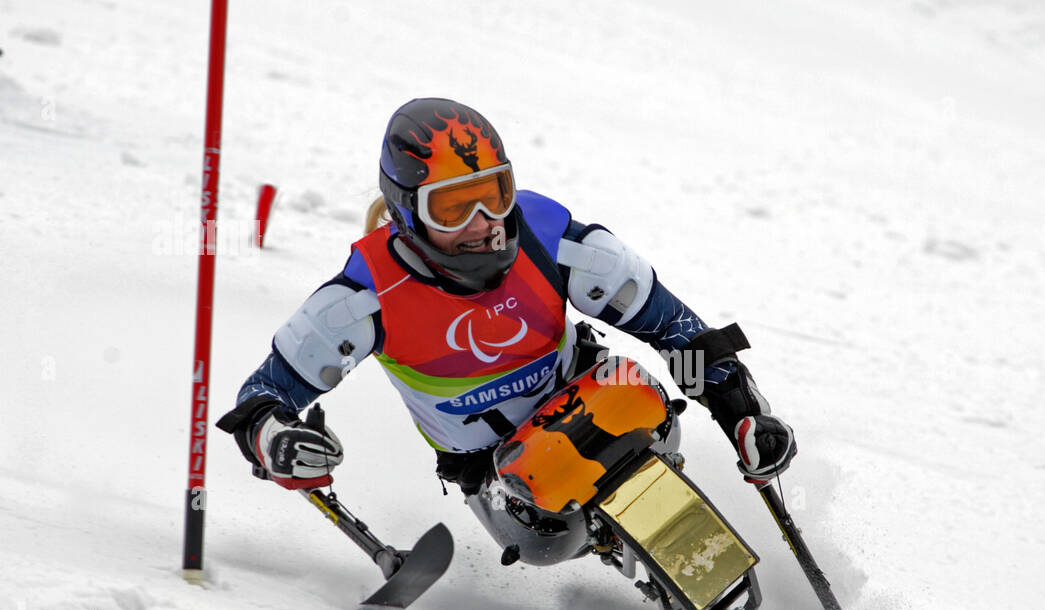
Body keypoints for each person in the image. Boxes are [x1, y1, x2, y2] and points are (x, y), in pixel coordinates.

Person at [217, 98, 795, 508]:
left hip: (597, 402)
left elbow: (675, 331)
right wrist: (276, 439)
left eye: (493, 196)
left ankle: (712, 595)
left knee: (633, 392)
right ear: (406, 209)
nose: (483, 225)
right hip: (505, 483)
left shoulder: (552, 239)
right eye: (453, 209)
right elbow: (264, 395)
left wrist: (740, 409)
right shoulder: (367, 296)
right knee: (546, 467)